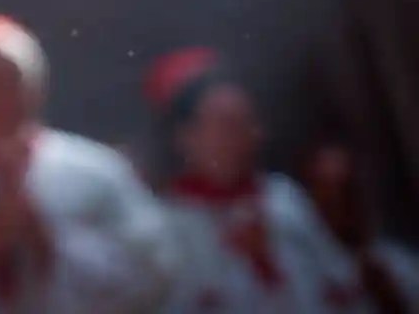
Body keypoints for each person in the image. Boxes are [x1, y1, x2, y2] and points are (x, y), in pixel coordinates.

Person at [0, 13, 175, 314]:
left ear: (36, 88)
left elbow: (158, 272)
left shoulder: (97, 172)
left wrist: (51, 246)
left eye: (7, 81)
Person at [148, 47, 365, 314]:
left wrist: (268, 260)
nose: (246, 137)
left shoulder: (283, 197)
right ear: (186, 137)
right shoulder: (168, 225)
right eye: (227, 125)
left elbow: (341, 287)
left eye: (248, 122)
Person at [299, 141, 419, 314]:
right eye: (328, 192)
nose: (340, 203)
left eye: (346, 189)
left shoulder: (396, 262)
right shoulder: (303, 275)